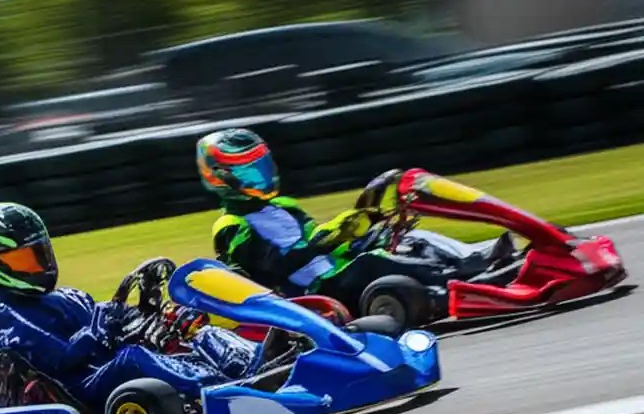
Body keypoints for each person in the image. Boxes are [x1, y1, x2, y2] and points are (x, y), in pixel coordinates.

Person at [0, 201, 276, 411]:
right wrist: (99, 327)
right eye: (22, 259)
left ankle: (255, 364)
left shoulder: (69, 296)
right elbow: (60, 360)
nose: (37, 266)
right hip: (80, 388)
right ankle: (223, 390)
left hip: (106, 367)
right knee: (133, 357)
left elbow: (117, 318)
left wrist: (158, 312)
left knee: (191, 332)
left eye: (39, 254)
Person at [196, 127, 514, 309]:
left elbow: (314, 236)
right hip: (312, 293)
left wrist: (363, 228)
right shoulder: (231, 227)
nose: (260, 177)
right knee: (372, 263)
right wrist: (333, 238)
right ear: (221, 178)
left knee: (400, 240)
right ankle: (465, 282)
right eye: (248, 172)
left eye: (261, 167)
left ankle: (472, 262)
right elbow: (279, 265)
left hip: (334, 269)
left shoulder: (283, 206)